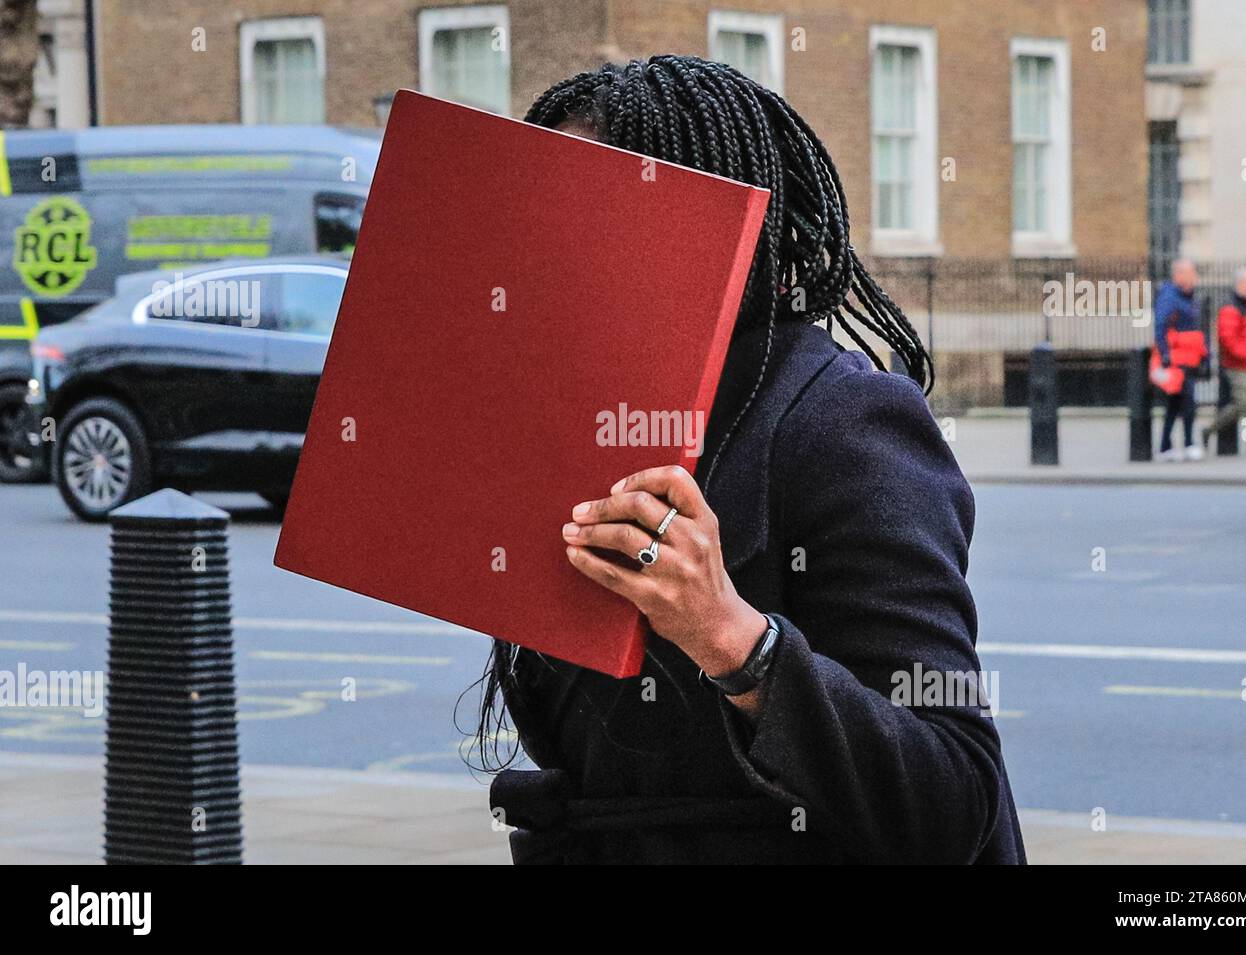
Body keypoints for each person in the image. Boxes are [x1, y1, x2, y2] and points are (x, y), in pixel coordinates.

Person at [470, 56, 1025, 864]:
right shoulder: (580, 414)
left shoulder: (844, 421)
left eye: (593, 213)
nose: (554, 249)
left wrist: (733, 639)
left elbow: (952, 797)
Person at [1204, 267, 1246, 454]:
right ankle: (1209, 429)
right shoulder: (1231, 308)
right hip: (1241, 368)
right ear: (1242, 284)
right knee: (1241, 406)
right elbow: (1228, 340)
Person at [1152, 258, 1208, 461]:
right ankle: (1189, 443)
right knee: (1187, 403)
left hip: (1189, 358)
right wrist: (1166, 353)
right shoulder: (1170, 296)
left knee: (1175, 405)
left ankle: (1166, 446)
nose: (1194, 277)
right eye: (1190, 273)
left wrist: (1203, 355)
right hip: (1177, 360)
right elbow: (1160, 326)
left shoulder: (1189, 297)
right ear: (1178, 275)